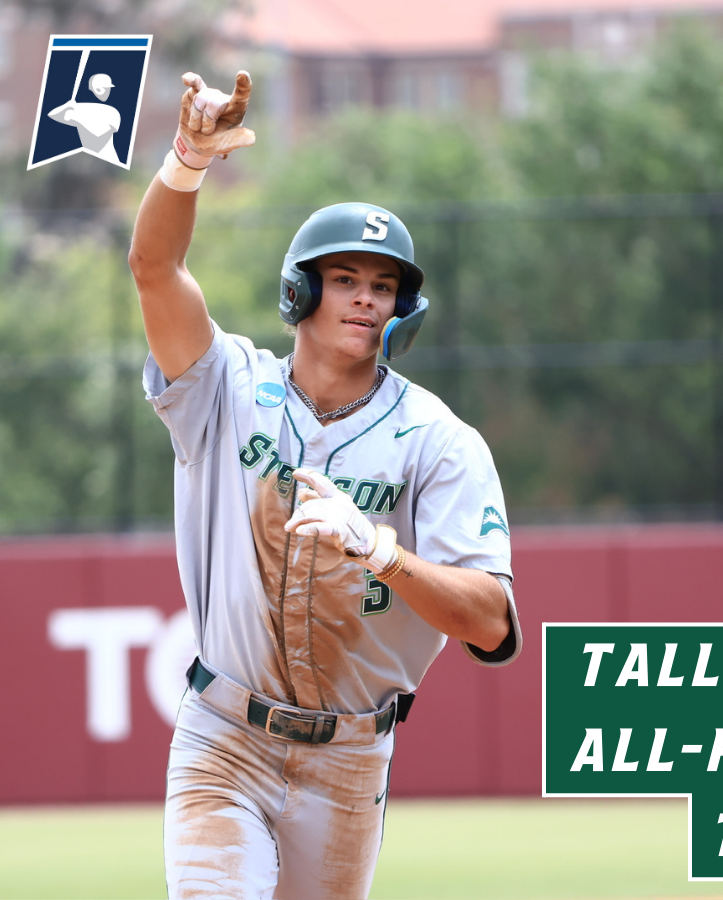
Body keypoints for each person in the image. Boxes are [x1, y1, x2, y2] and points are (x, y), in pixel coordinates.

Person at [128, 71, 521, 897]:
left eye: (384, 287)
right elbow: (153, 268)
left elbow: (491, 622)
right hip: (223, 736)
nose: (367, 300)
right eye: (346, 279)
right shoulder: (224, 388)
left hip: (350, 759)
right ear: (300, 290)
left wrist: (383, 551)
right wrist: (188, 160)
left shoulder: (438, 440)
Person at [47, 71, 121, 163]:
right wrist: (65, 106)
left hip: (107, 160)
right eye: (106, 88)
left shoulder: (112, 112)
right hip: (83, 160)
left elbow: (99, 134)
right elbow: (51, 115)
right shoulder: (81, 108)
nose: (108, 92)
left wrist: (76, 118)